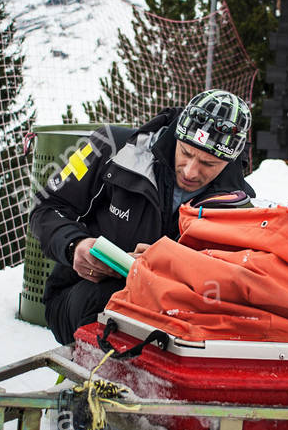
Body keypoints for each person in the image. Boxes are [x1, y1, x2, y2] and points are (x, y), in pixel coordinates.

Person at [29, 89, 255, 344]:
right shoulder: (110, 145)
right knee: (117, 298)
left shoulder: (238, 205)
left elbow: (230, 281)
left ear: (230, 161)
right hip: (82, 295)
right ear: (176, 135)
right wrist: (74, 245)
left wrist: (167, 265)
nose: (191, 171)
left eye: (208, 164)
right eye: (186, 153)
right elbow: (46, 207)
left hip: (172, 317)